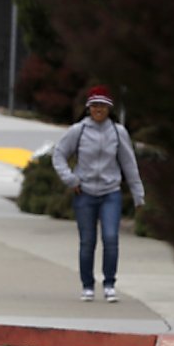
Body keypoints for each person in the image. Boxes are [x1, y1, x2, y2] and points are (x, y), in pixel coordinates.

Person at [52, 85, 144, 303]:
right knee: (87, 242)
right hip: (84, 193)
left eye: (102, 106)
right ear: (88, 108)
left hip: (110, 193)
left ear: (109, 108)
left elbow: (129, 164)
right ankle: (87, 285)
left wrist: (138, 194)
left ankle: (110, 284)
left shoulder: (117, 132)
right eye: (94, 106)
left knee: (111, 238)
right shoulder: (79, 130)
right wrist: (70, 178)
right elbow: (59, 154)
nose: (98, 110)